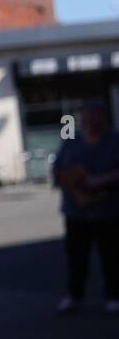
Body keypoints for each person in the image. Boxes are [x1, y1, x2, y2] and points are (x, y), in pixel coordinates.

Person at [50, 100, 119, 314]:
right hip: (76, 211)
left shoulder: (115, 141)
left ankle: (113, 296)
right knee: (76, 256)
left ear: (103, 119)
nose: (89, 121)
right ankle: (74, 295)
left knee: (112, 256)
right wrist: (64, 178)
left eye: (94, 117)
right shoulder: (71, 142)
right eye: (86, 117)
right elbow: (58, 168)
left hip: (108, 211)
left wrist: (100, 181)